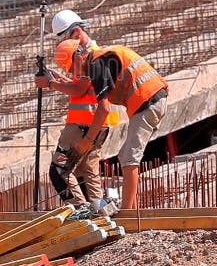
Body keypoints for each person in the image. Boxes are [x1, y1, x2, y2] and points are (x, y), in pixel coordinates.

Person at [56, 39, 168, 210]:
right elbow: (86, 89)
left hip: (147, 100)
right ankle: (133, 211)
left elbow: (103, 109)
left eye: (72, 69)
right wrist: (59, 82)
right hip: (151, 98)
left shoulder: (97, 64)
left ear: (78, 58)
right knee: (126, 156)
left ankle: (127, 213)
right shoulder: (100, 59)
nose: (74, 73)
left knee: (129, 158)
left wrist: (87, 140)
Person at [35, 10, 123, 208]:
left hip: (82, 124)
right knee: (88, 170)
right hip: (98, 125)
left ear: (75, 32)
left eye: (64, 38)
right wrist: (59, 80)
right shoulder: (97, 53)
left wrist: (50, 84)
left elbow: (79, 88)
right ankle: (101, 212)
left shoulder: (84, 54)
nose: (62, 44)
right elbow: (83, 90)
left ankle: (83, 212)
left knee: (59, 171)